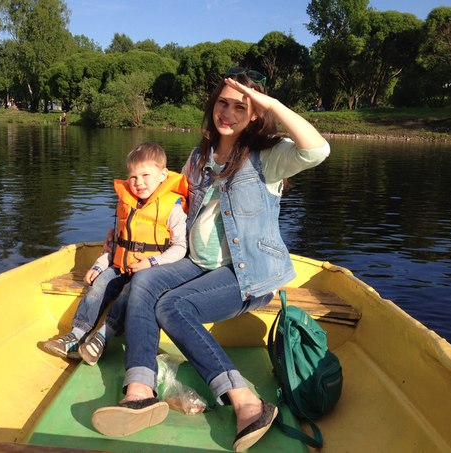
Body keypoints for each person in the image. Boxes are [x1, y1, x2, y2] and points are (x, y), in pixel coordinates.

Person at [91, 68, 330, 451]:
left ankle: (247, 402)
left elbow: (317, 151)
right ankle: (140, 391)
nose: (228, 113)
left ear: (255, 113)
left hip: (247, 275)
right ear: (212, 104)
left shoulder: (268, 157)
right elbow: (163, 202)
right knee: (144, 282)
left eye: (241, 107)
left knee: (172, 306)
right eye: (223, 103)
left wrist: (269, 102)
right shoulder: (200, 156)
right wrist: (120, 232)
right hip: (199, 264)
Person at [41, 142, 188, 365]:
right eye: (133, 177)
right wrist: (99, 265)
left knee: (130, 292)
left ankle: (102, 336)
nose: (139, 183)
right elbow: (116, 243)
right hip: (120, 266)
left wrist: (152, 262)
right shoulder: (125, 204)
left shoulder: (172, 208)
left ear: (163, 175)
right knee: (98, 285)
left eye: (145, 175)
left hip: (151, 272)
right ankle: (76, 335)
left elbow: (180, 247)